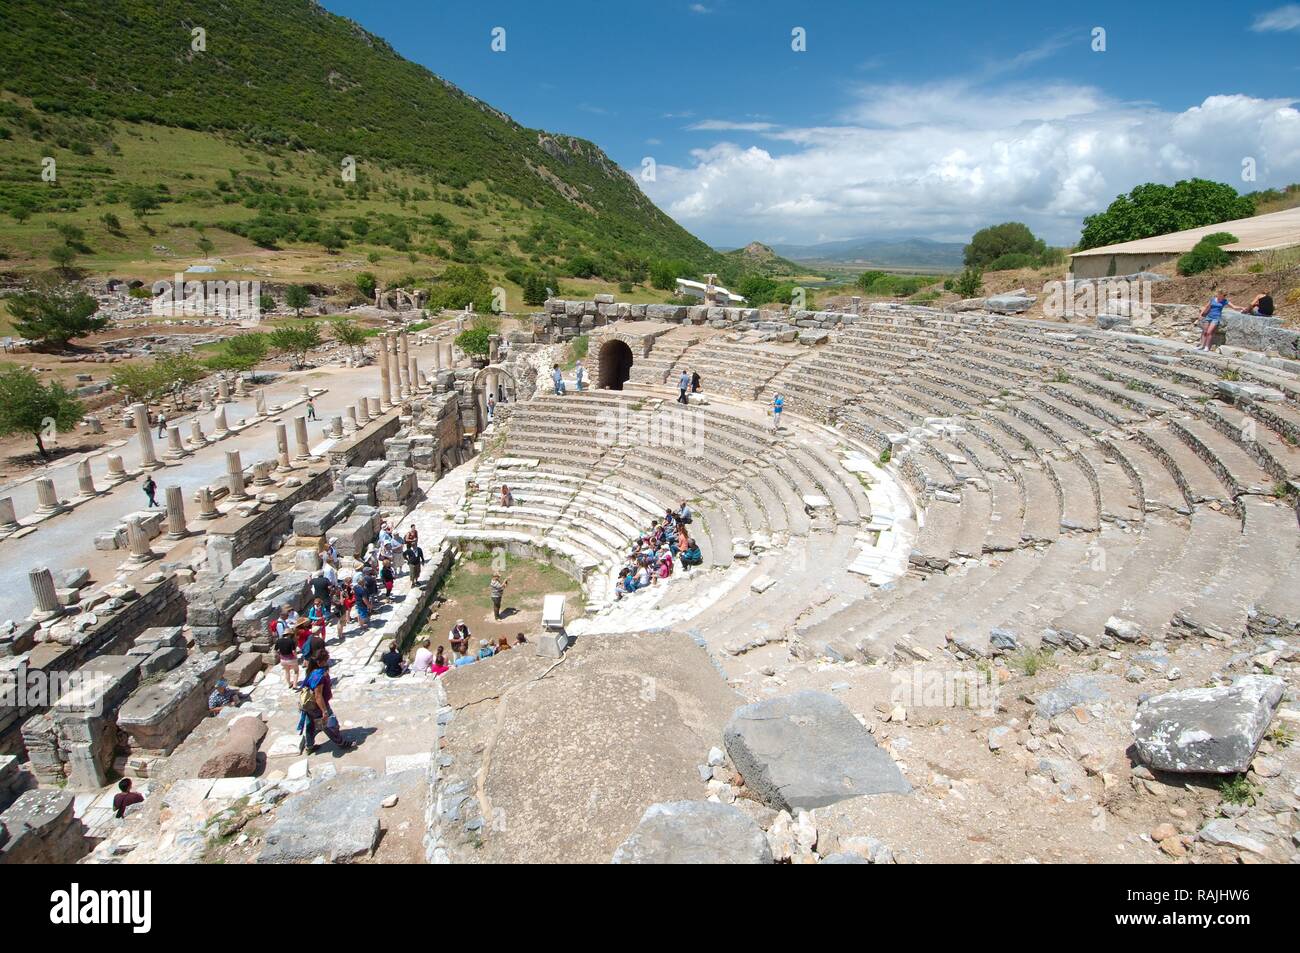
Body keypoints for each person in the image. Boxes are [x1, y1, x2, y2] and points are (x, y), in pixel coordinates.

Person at [298, 649, 354, 753]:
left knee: (311, 725)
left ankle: (309, 747)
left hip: (308, 705)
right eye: (326, 660)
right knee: (330, 725)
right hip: (318, 706)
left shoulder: (311, 671)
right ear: (320, 662)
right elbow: (318, 696)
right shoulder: (319, 676)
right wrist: (324, 711)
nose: (327, 662)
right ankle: (341, 743)